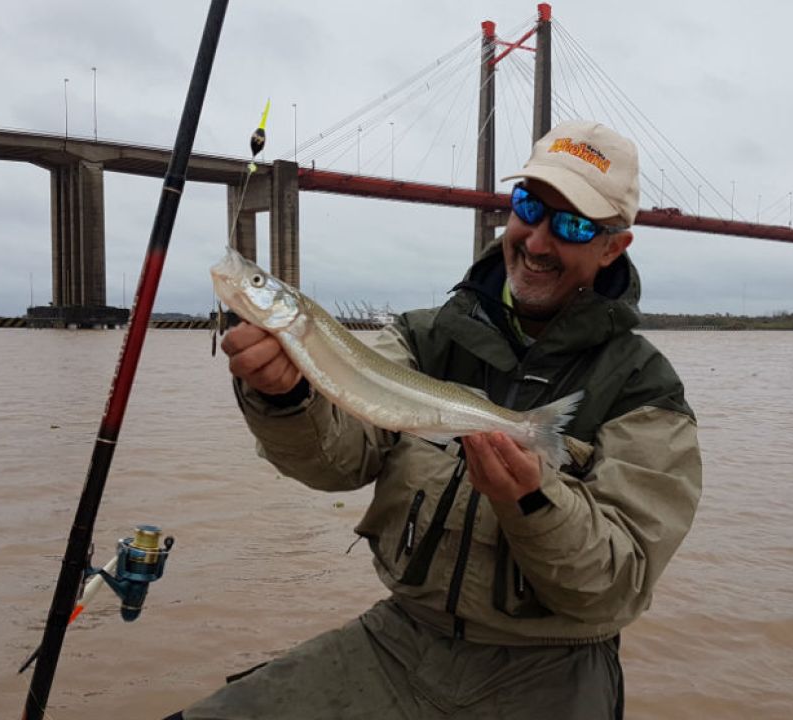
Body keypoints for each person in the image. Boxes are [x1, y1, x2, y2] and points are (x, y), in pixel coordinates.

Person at [174, 120, 702, 720]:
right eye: (529, 205)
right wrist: (287, 398)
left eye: (574, 223)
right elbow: (339, 460)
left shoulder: (645, 389)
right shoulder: (425, 336)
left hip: (553, 672)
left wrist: (532, 501)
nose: (536, 240)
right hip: (400, 640)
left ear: (613, 246)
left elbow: (618, 581)